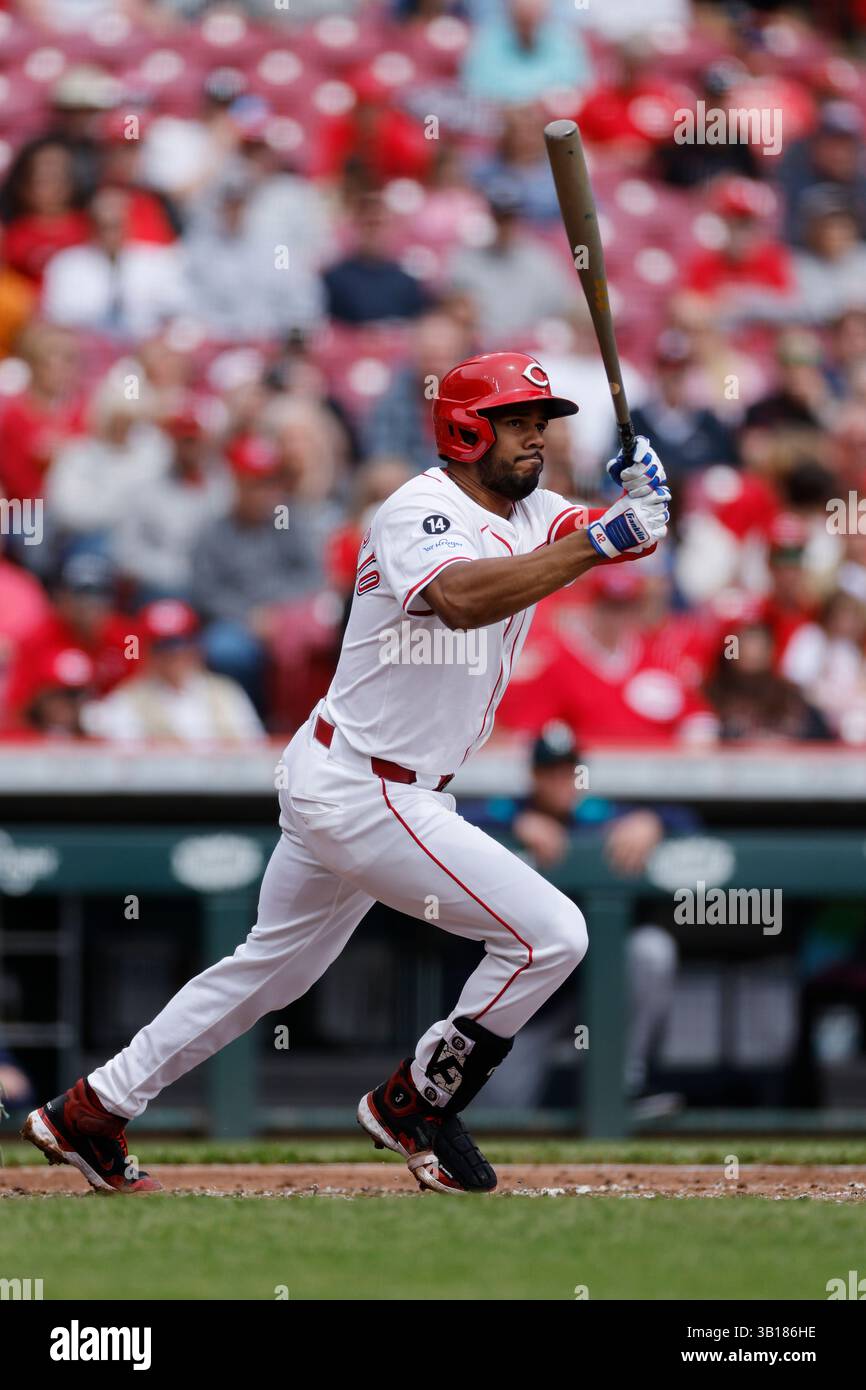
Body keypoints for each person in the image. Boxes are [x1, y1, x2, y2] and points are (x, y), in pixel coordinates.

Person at [21, 351, 671, 1195]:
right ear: (466, 429)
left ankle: (91, 1110)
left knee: (269, 971)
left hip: (362, 777)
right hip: (371, 786)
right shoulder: (417, 510)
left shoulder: (534, 509)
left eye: (541, 425)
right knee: (553, 935)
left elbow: (596, 538)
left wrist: (648, 503)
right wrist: (603, 539)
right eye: (518, 423)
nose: (536, 441)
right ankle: (419, 1101)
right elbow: (465, 596)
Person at [460, 722, 686, 1116]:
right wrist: (516, 825)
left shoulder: (597, 814)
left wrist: (653, 821)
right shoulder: (508, 810)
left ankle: (623, 1084)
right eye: (551, 773)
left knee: (650, 950)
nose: (562, 782)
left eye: (569, 771)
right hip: (527, 1001)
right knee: (494, 1116)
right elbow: (452, 816)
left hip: (596, 990)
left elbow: (685, 820)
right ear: (534, 777)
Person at [82, 600, 265, 744]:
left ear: (194, 646)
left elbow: (254, 750)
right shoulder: (126, 700)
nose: (174, 655)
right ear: (149, 652)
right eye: (162, 647)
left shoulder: (225, 693)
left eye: (180, 644)